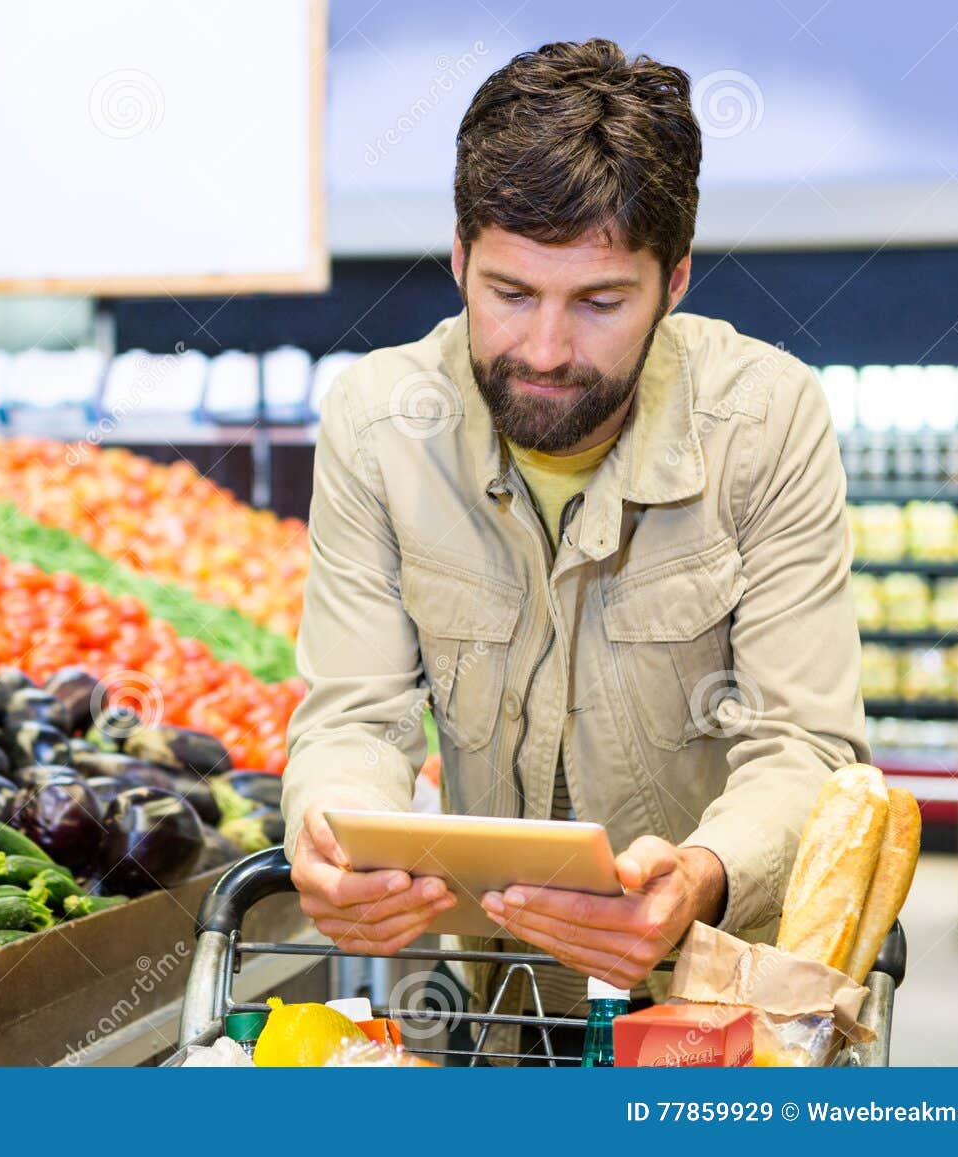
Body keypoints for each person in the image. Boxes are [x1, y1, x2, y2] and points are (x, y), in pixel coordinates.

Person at [280, 38, 869, 1056]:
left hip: (714, 1009)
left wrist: (698, 874)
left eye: (599, 302)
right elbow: (354, 712)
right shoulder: (380, 423)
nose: (546, 350)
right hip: (492, 1003)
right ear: (459, 259)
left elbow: (804, 744)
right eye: (510, 293)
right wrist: (333, 830)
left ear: (671, 282)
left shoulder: (767, 420)